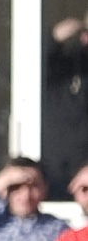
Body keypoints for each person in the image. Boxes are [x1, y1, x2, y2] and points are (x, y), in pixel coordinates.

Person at [43, 15, 88, 195]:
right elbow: (26, 65)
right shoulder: (63, 66)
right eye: (85, 32)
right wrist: (55, 37)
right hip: (56, 170)